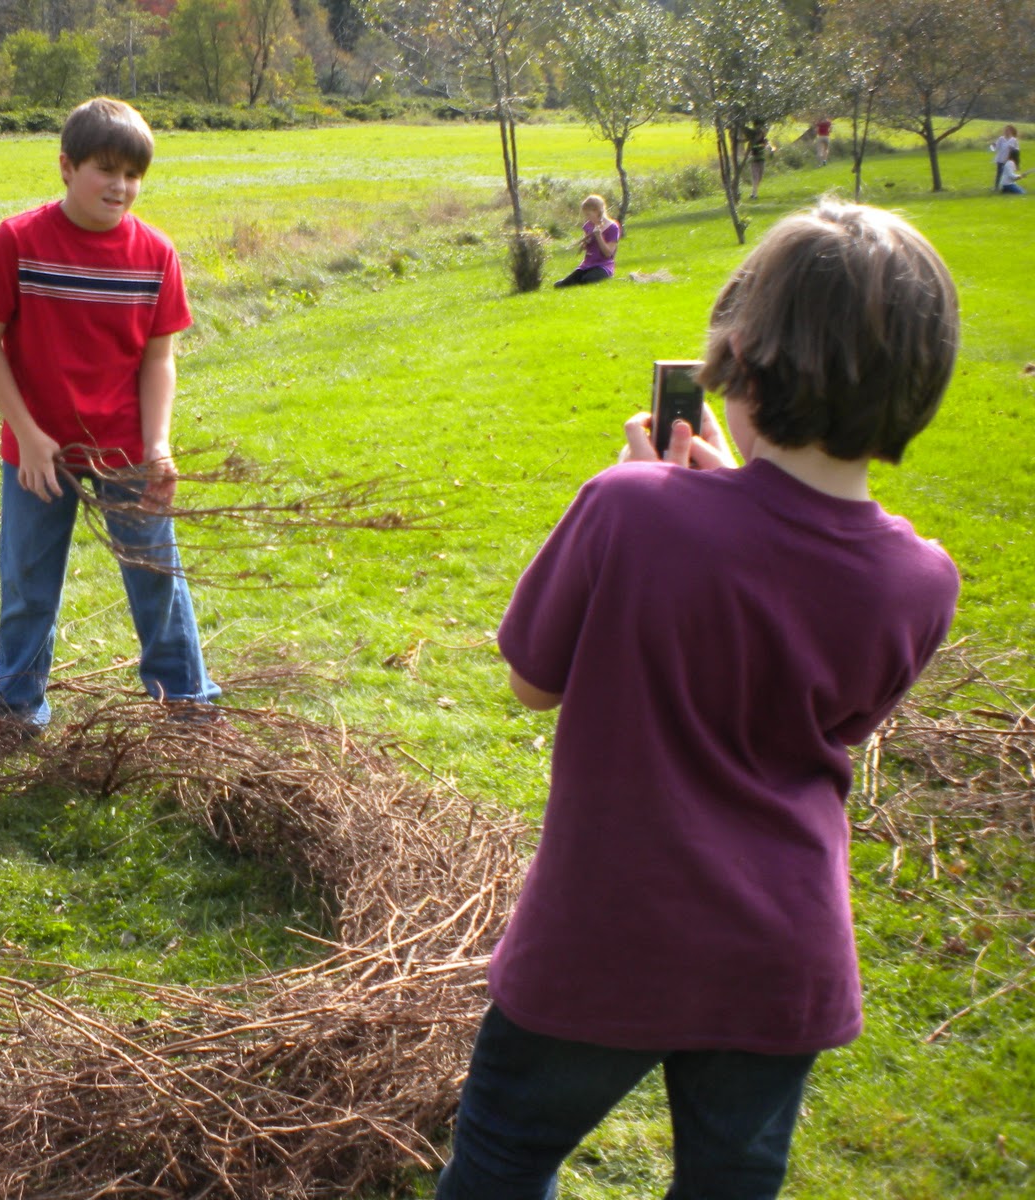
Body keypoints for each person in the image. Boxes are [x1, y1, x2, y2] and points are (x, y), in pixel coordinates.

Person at [438, 200, 961, 1200]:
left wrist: (662, 498)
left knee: (505, 1159)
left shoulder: (629, 508)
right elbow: (822, 698)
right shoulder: (924, 578)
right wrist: (722, 495)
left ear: (740, 357)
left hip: (602, 938)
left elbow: (530, 685)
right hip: (781, 960)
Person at [0, 97, 220, 735]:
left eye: (134, 175)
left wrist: (158, 445)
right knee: (28, 584)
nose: (122, 187)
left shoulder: (156, 254)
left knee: (157, 576)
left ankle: (185, 702)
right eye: (107, 170)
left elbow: (160, 360)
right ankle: (19, 710)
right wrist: (28, 433)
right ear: (66, 166)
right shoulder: (18, 241)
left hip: (128, 449)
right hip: (39, 452)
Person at [552, 194, 620, 288]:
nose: (587, 218)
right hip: (587, 264)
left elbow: (608, 253)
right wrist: (585, 244)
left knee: (587, 280)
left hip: (603, 265)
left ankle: (600, 276)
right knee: (560, 285)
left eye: (588, 214)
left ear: (597, 211)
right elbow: (588, 247)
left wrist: (599, 236)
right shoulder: (588, 225)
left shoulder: (612, 227)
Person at [746, 122, 773, 199]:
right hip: (754, 160)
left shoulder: (764, 140)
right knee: (755, 176)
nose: (759, 136)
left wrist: (769, 149)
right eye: (758, 134)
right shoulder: (752, 141)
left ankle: (754, 192)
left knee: (760, 177)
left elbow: (768, 145)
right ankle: (754, 194)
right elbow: (750, 150)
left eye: (760, 134)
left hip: (761, 160)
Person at [991, 125, 1019, 191]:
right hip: (1000, 159)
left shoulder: (1014, 140)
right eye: (1005, 130)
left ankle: (1007, 187)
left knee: (1008, 174)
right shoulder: (1001, 138)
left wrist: (1015, 161)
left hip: (1009, 160)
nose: (1006, 132)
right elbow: (996, 148)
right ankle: (996, 187)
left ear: (1011, 131)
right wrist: (993, 145)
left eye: (1008, 130)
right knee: (999, 173)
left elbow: (1016, 151)